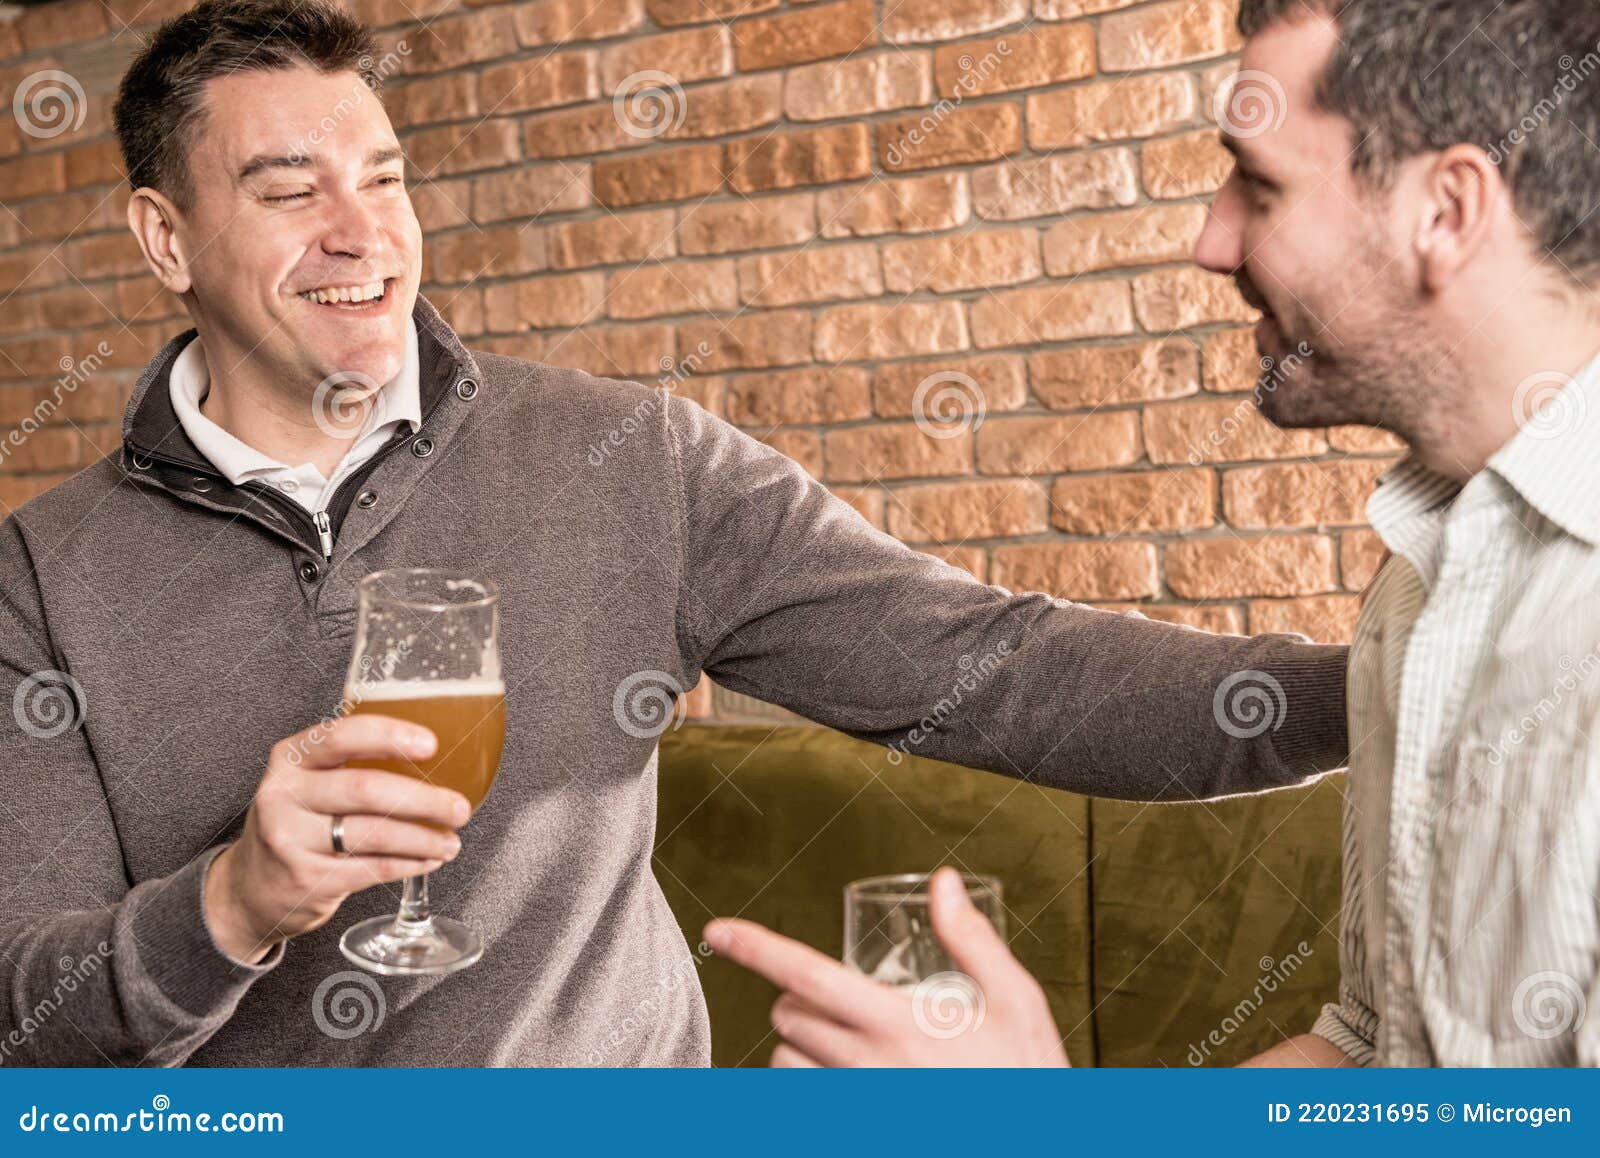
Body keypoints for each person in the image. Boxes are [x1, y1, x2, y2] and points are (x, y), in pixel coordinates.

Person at [0, 0, 1349, 1066]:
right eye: (291, 190)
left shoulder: (632, 458)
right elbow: (27, 1017)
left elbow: (1003, 668)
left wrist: (1388, 685)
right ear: (165, 239)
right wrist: (231, 904)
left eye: (385, 180)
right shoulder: (41, 576)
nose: (363, 233)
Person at [709, 0, 1600, 1068]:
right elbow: (1375, 1061)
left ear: (1446, 210)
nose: (1210, 241)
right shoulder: (1418, 585)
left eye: (1259, 186)